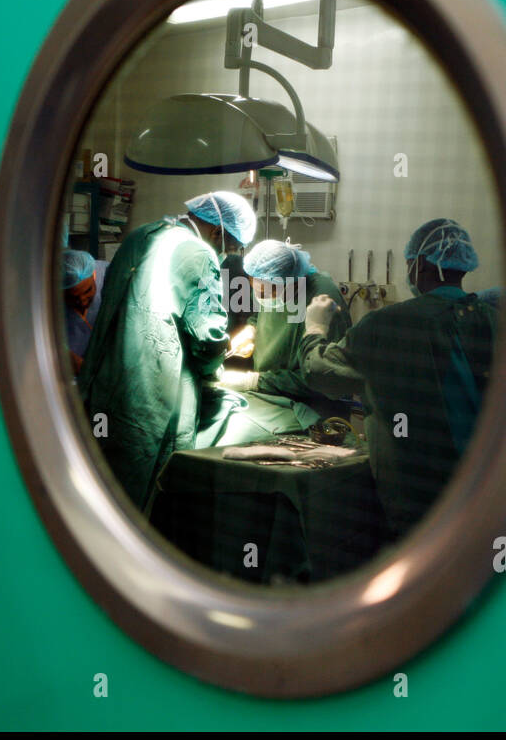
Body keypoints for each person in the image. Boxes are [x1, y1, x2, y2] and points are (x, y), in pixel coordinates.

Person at [298, 218, 499, 538]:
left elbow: (319, 372)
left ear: (420, 264)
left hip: (418, 498)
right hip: (486, 488)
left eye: (409, 262)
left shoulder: (389, 325)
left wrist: (315, 329)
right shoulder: (490, 317)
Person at [78, 191, 257, 511]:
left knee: (102, 490)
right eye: (227, 246)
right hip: (150, 400)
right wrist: (224, 352)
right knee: (143, 501)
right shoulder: (200, 254)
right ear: (217, 231)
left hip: (104, 384)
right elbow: (208, 337)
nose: (223, 253)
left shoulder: (140, 236)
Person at [221, 239, 351, 419]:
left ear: (293, 282)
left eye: (266, 293)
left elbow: (327, 378)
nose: (261, 297)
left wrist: (256, 381)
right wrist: (251, 329)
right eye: (255, 290)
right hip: (272, 395)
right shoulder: (268, 283)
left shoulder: (323, 300)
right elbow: (261, 311)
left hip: (314, 409)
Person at [62, 249, 108, 374]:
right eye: (73, 298)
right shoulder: (48, 304)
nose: (82, 302)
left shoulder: (109, 277)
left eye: (88, 291)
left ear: (93, 274)